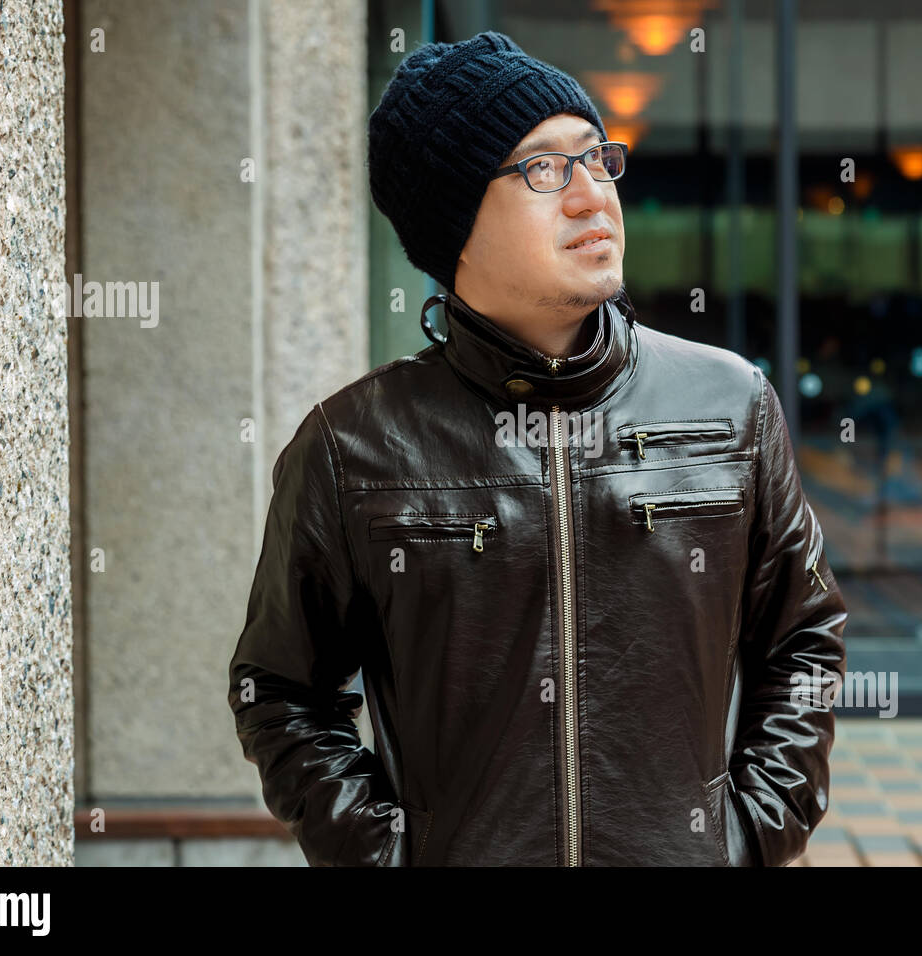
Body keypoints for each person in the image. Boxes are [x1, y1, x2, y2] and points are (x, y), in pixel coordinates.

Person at [226, 30, 847, 867]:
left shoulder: (731, 403)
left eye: (597, 157)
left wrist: (751, 834)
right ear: (456, 233)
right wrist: (388, 853)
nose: (593, 195)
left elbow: (803, 637)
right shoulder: (355, 444)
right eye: (543, 169)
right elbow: (282, 691)